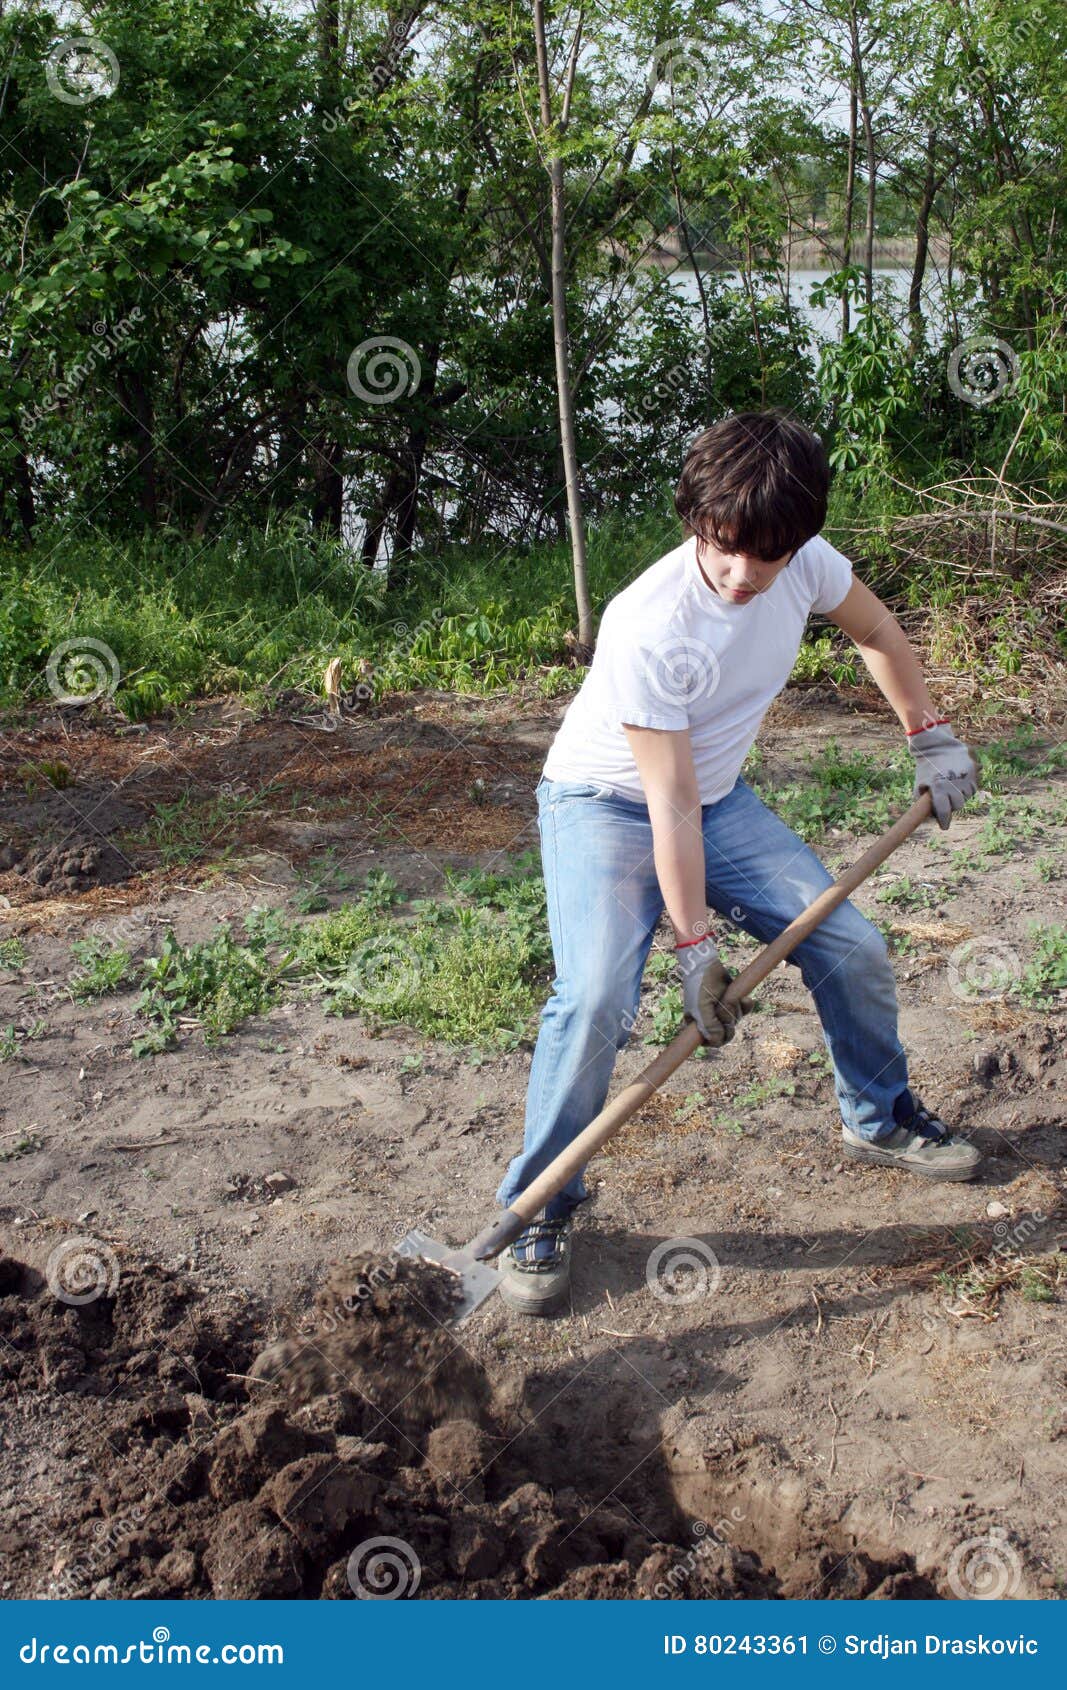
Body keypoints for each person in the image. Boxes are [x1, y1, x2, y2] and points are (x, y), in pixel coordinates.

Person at [495, 409, 980, 1316]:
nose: (743, 573)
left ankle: (877, 1119)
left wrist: (929, 734)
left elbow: (874, 629)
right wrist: (691, 951)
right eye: (725, 547)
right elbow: (662, 803)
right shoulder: (646, 621)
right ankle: (539, 1202)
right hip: (605, 803)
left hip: (713, 801)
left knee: (852, 948)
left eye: (768, 554)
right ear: (695, 520)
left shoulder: (804, 564)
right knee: (597, 997)